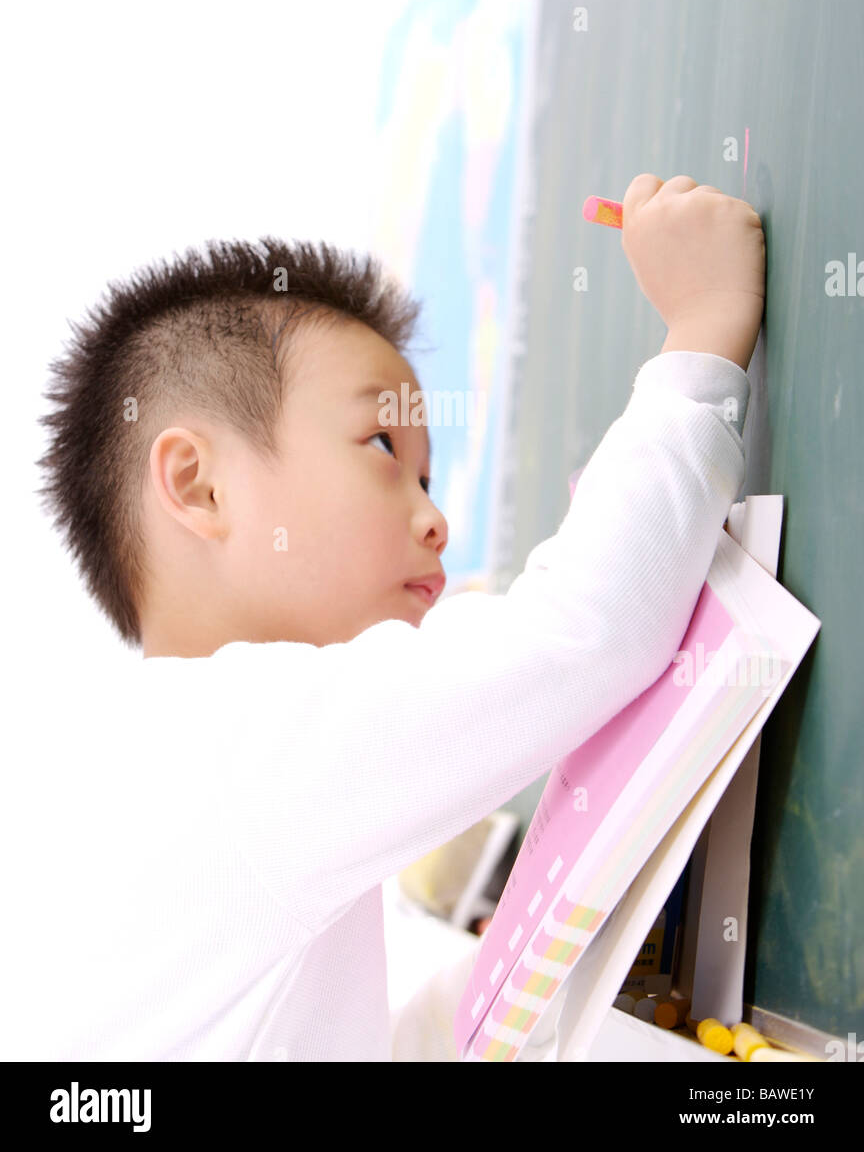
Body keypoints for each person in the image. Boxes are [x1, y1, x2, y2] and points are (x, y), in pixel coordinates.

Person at [5, 171, 764, 1061]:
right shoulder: (234, 742)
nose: (434, 519)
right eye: (382, 447)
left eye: (430, 480)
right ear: (199, 485)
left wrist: (501, 975)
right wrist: (704, 331)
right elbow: (584, 632)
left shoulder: (157, 769)